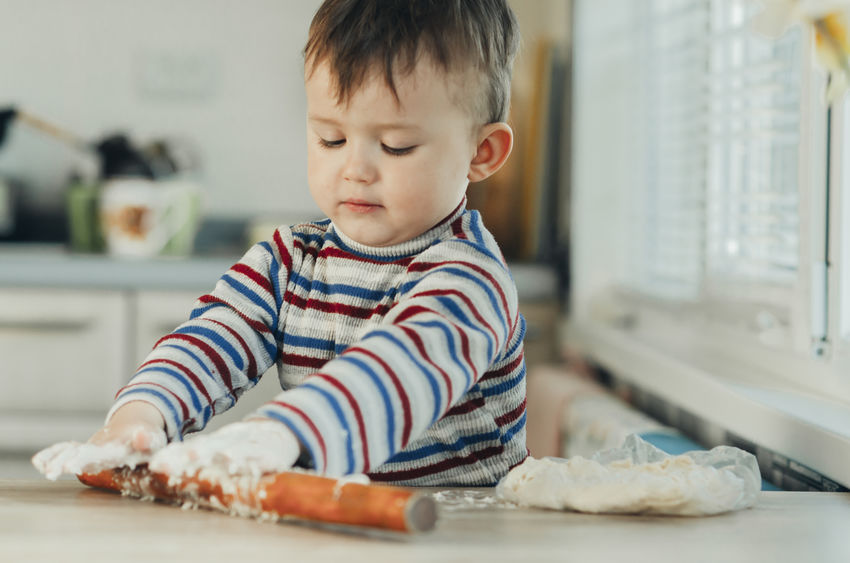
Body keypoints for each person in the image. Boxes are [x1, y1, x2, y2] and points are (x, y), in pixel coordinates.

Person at [37, 0, 526, 486]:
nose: (355, 169)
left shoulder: (469, 278)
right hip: (337, 527)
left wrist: (281, 432)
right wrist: (142, 416)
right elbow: (211, 339)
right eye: (331, 139)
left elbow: (401, 368)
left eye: (396, 146)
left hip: (460, 537)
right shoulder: (290, 261)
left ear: (481, 152)